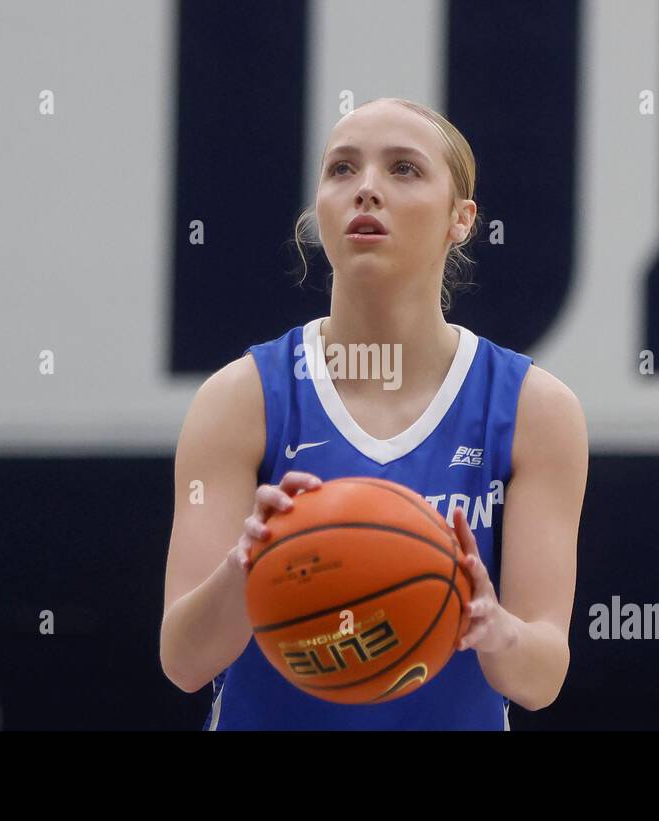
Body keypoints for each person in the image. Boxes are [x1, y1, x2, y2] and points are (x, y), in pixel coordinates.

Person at [160, 98, 587, 729]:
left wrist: (496, 630)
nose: (366, 189)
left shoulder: (533, 407)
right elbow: (184, 661)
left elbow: (542, 679)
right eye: (341, 169)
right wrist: (241, 569)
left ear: (461, 218)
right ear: (319, 211)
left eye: (404, 169)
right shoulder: (243, 396)